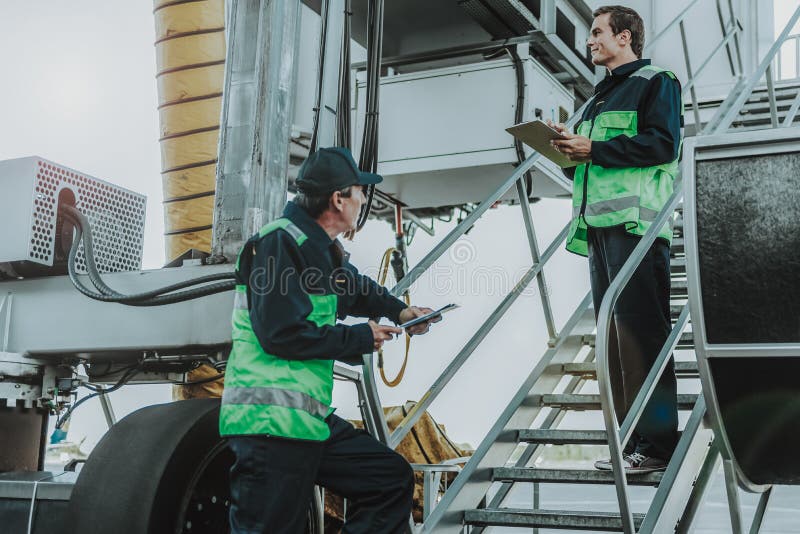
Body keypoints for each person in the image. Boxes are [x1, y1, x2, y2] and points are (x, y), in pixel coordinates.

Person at [220, 146, 440, 533]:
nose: (363, 201)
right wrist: (358, 337)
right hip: (269, 426)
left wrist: (401, 312)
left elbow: (355, 289)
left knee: (388, 479)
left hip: (306, 424)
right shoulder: (277, 244)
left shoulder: (320, 250)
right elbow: (280, 334)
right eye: (360, 193)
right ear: (338, 199)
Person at [549, 5, 682, 474]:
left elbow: (664, 144)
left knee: (644, 335)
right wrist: (567, 145)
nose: (590, 40)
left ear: (625, 37)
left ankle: (660, 446)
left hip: (637, 229)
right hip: (601, 229)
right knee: (617, 341)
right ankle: (633, 442)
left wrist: (594, 148)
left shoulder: (656, 81)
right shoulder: (596, 98)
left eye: (597, 31)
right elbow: (590, 159)